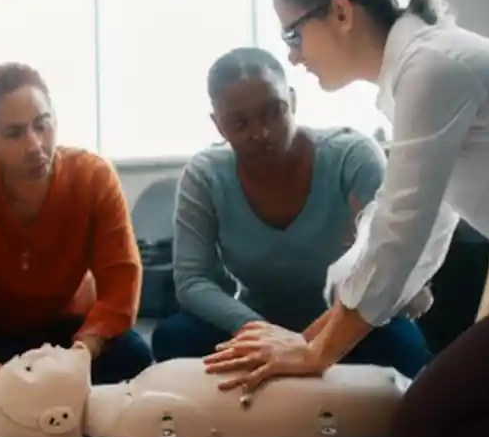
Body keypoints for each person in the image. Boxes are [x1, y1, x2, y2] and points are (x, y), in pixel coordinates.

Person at [203, 0, 489, 437]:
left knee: (425, 432)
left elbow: (402, 228)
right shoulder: (421, 73)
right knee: (436, 417)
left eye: (293, 33)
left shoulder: (433, 67)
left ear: (341, 12)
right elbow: (424, 227)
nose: (293, 56)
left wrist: (315, 353)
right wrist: (308, 340)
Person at [152, 47, 432, 380]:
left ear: (294, 101)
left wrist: (309, 342)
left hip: (345, 319)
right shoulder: (206, 175)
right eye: (239, 123)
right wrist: (260, 332)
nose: (260, 133)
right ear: (218, 125)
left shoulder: (352, 157)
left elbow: (388, 263)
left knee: (403, 348)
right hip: (255, 320)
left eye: (273, 112)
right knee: (174, 337)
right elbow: (192, 281)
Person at [0, 62, 152, 428]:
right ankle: (38, 402)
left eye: (42, 125)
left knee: (134, 357)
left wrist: (79, 356)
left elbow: (121, 284)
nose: (34, 145)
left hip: (69, 333)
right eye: (14, 133)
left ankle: (33, 402)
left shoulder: (94, 177)